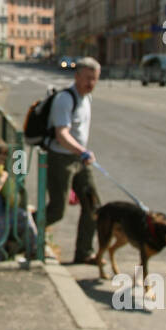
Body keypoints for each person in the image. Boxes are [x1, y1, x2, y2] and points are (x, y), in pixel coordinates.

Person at [44, 58, 101, 264]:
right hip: (61, 158)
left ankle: (84, 252)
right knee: (57, 209)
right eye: (87, 78)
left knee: (93, 205)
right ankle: (23, 232)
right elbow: (62, 134)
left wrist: (81, 152)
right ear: (76, 76)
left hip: (79, 158)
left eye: (94, 79)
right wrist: (81, 150)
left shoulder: (87, 98)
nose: (91, 83)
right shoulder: (65, 99)